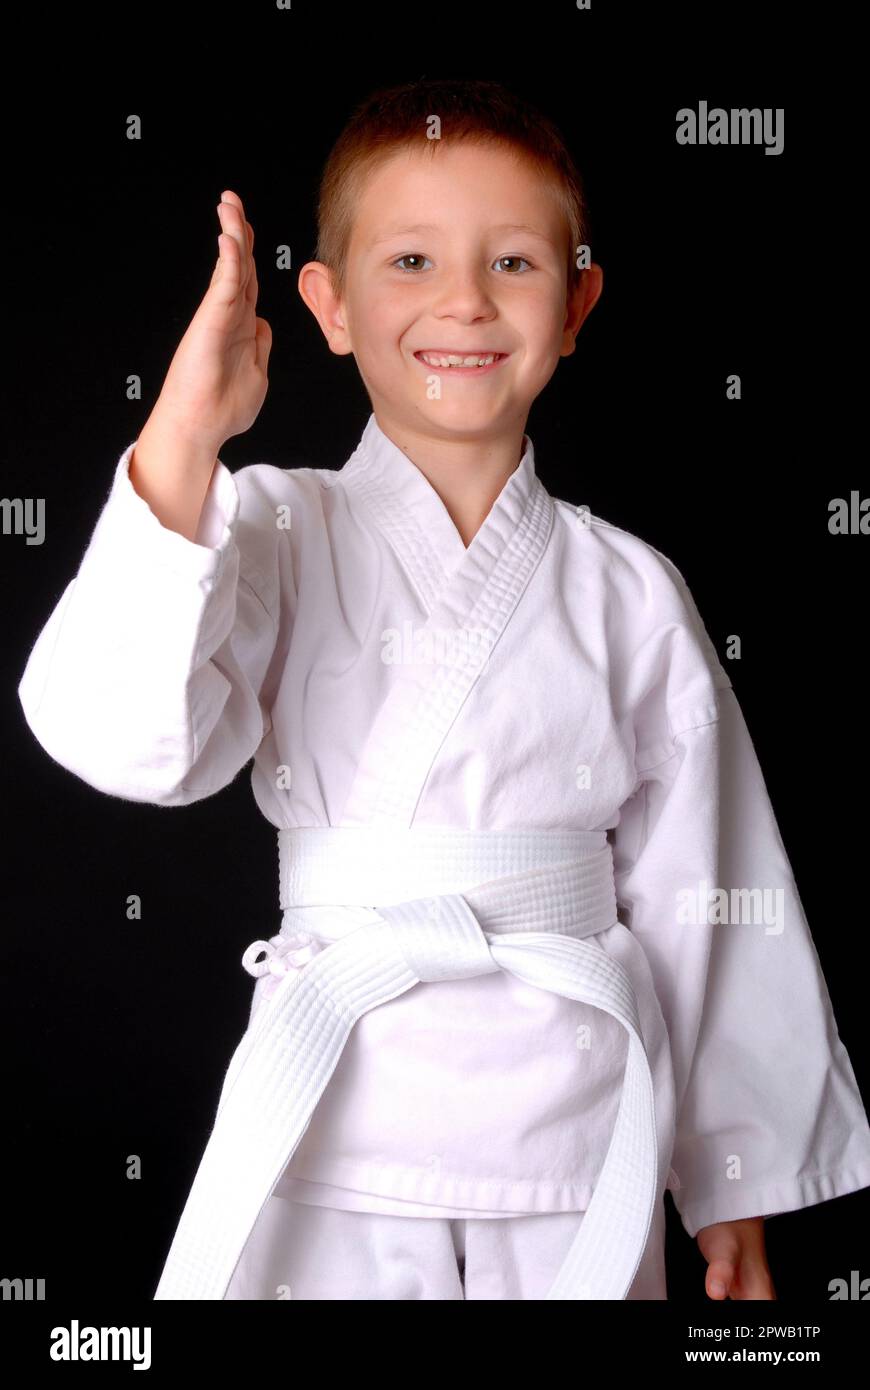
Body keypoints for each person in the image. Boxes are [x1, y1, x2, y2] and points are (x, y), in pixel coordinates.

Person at [17, 78, 870, 1301]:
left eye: (515, 262)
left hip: (579, 1139)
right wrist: (184, 438)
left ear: (577, 303)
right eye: (410, 259)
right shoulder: (261, 528)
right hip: (333, 1117)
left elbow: (709, 885)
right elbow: (123, 739)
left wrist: (730, 1181)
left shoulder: (631, 589)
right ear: (330, 305)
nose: (464, 301)